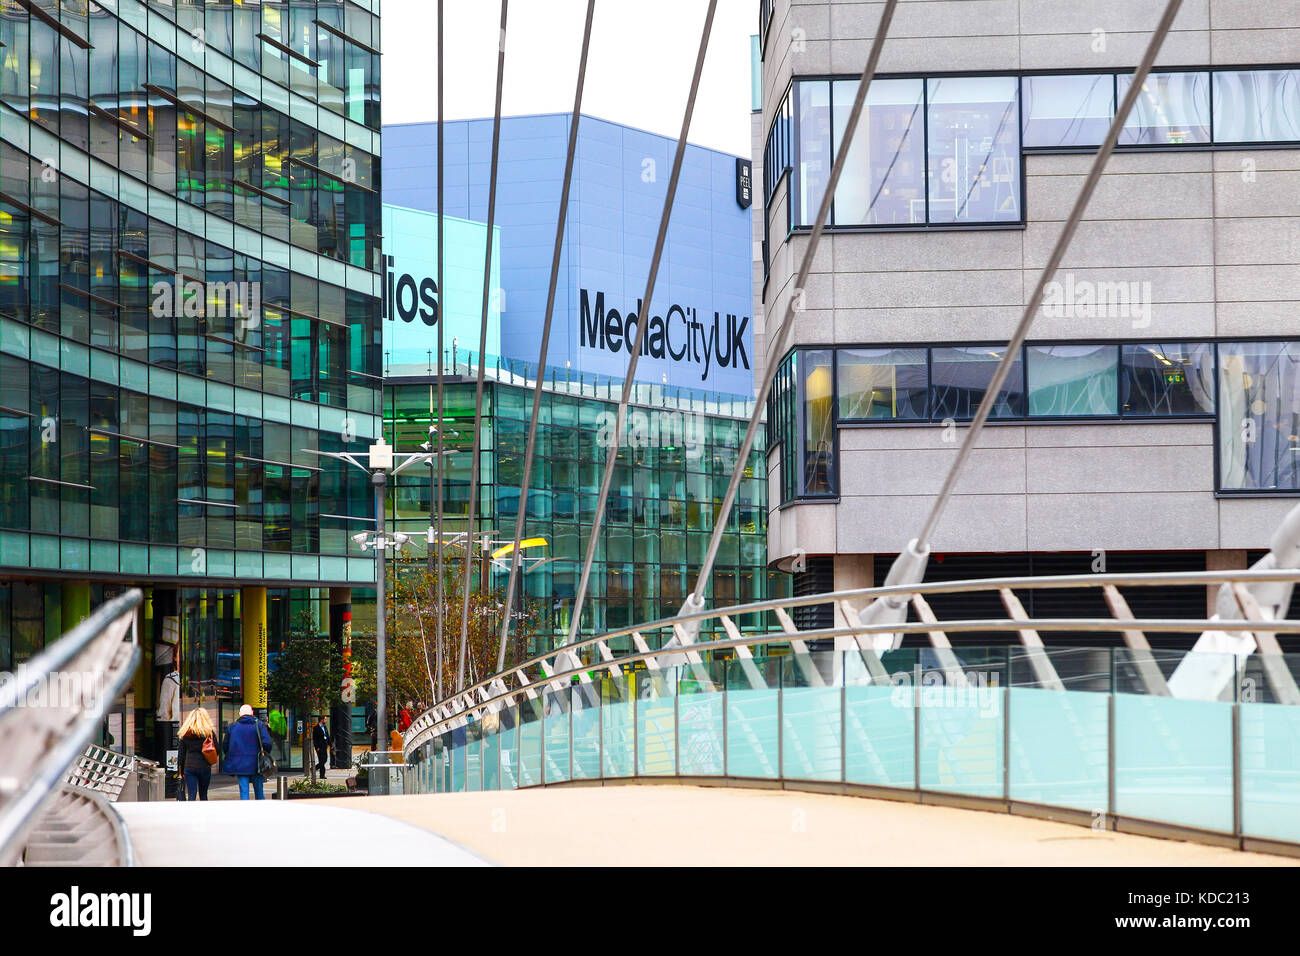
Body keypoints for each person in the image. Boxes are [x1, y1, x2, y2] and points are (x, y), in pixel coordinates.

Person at [223, 703, 273, 800]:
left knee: (244, 792)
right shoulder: (259, 725)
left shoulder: (233, 727)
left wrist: (231, 756)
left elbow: (225, 746)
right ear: (252, 713)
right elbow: (267, 743)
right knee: (259, 792)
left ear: (240, 714)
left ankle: (245, 812)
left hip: (240, 764)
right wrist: (265, 754)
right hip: (257, 764)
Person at [177, 708, 217, 801]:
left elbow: (181, 754)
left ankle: (192, 814)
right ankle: (204, 814)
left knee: (192, 794)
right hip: (205, 766)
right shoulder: (209, 733)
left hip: (189, 766)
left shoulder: (185, 733)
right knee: (204, 795)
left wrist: (181, 772)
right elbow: (217, 749)